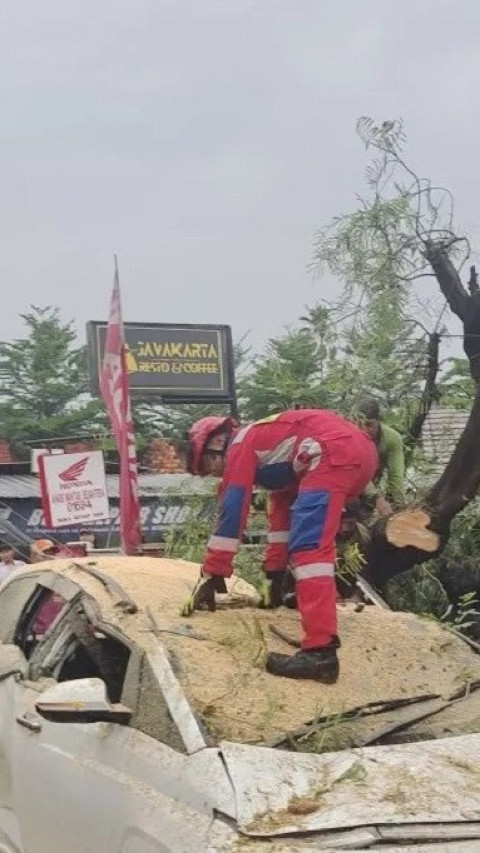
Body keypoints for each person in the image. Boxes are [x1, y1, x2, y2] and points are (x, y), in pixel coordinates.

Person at [183, 409, 378, 683]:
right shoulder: (275, 452)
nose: (215, 475)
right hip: (359, 453)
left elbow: (232, 510)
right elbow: (281, 515)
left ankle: (321, 653)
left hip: (332, 451)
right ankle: (295, 597)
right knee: (304, 537)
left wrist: (213, 572)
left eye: (209, 467)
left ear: (216, 446)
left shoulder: (240, 445)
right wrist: (274, 578)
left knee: (310, 551)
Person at [356, 398, 406, 517]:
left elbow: (396, 476)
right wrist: (376, 497)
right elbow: (356, 471)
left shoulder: (391, 438)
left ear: (379, 421)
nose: (364, 429)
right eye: (360, 424)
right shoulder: (351, 436)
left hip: (372, 487)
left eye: (369, 425)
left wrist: (399, 505)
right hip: (351, 486)